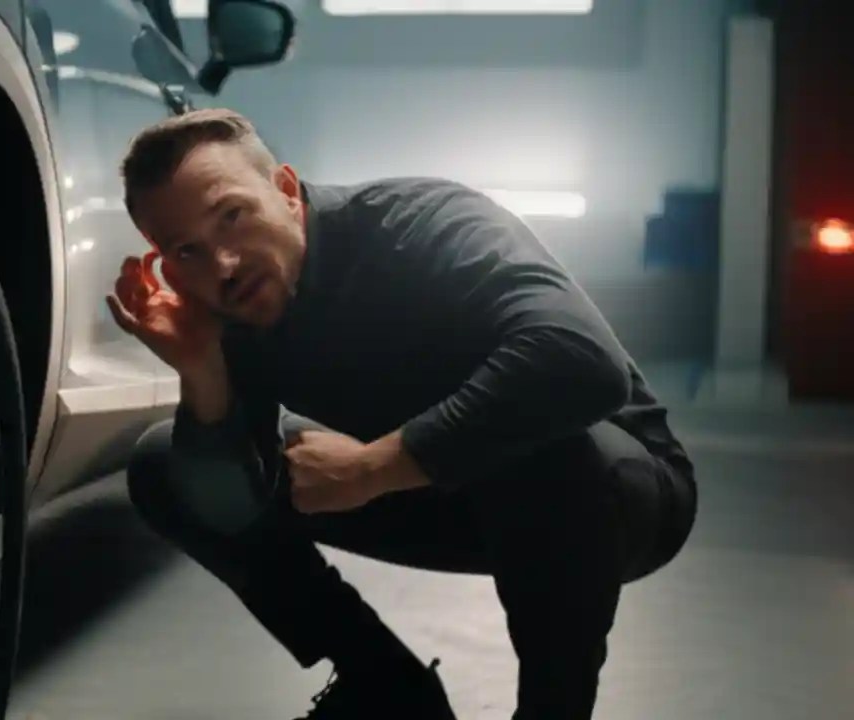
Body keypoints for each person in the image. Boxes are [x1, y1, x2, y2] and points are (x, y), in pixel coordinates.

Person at [106, 108, 698, 720]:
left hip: (614, 492)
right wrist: (202, 370)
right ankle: (385, 688)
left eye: (232, 216)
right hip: (439, 491)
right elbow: (229, 509)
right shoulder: (231, 307)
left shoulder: (424, 223)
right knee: (163, 463)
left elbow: (583, 363)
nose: (224, 264)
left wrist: (373, 468)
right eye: (188, 251)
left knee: (547, 450)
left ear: (284, 190)